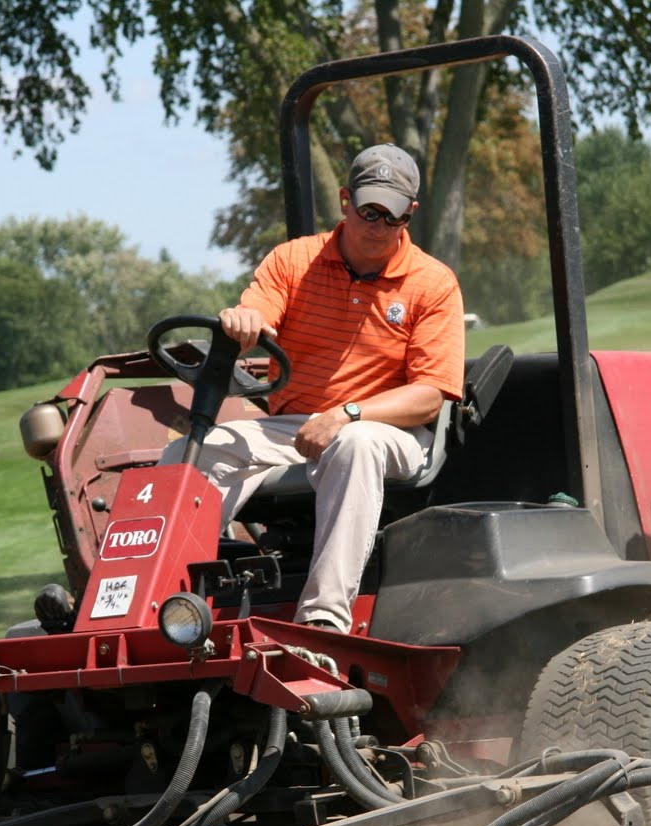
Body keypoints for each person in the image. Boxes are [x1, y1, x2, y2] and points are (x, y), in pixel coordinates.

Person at [162, 144, 465, 632]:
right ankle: (162, 605)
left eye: (393, 217)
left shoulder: (433, 283)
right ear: (345, 200)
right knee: (188, 453)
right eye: (369, 211)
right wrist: (245, 322)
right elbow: (259, 312)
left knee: (355, 443)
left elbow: (429, 395)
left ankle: (324, 619)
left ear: (410, 213)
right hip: (293, 426)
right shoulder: (293, 261)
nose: (379, 226)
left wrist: (346, 414)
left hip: (390, 430)